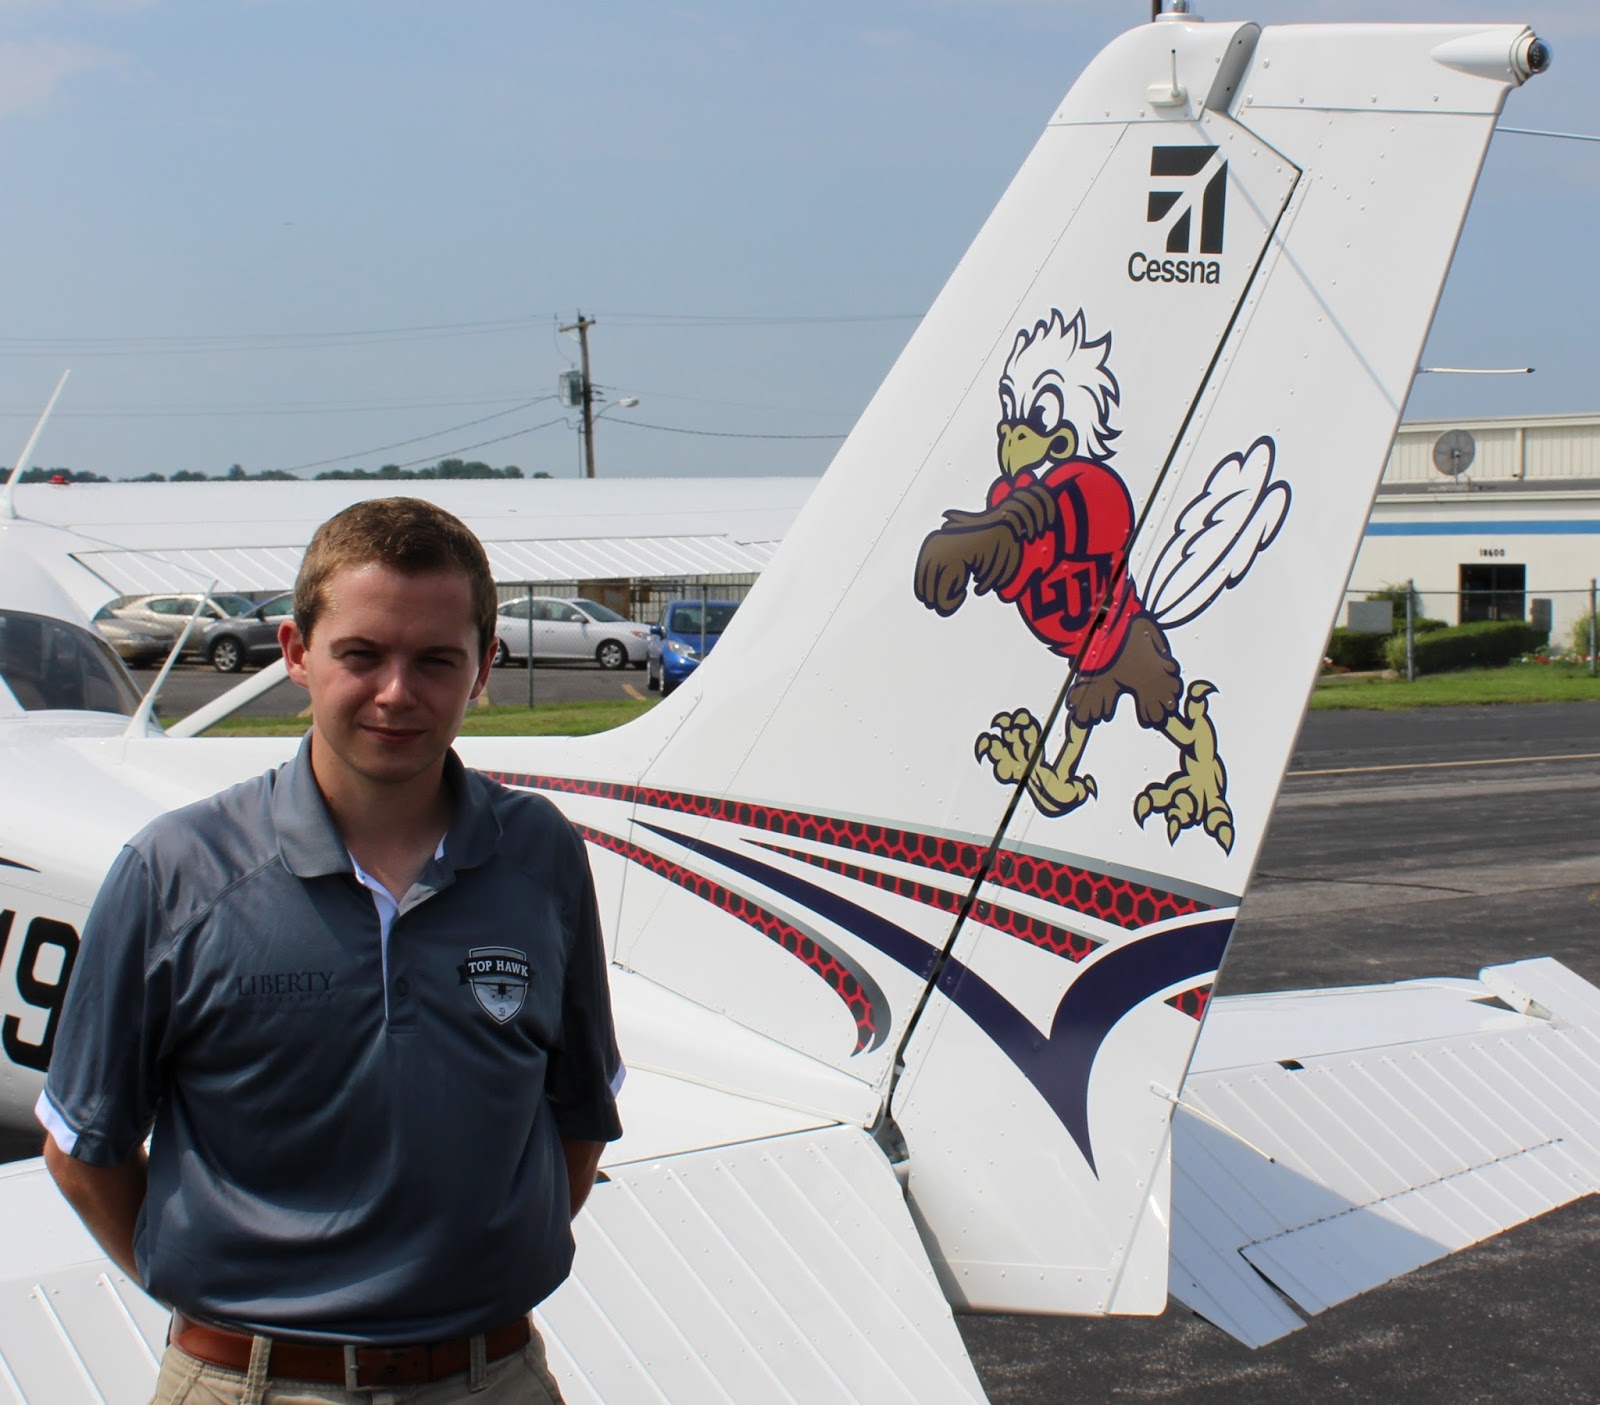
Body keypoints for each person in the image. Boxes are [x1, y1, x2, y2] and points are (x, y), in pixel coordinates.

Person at [36, 497, 623, 1404]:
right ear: (296, 651)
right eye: (361, 654)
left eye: (436, 660)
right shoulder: (174, 869)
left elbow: (578, 1115)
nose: (397, 692)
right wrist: (231, 1316)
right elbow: (82, 1151)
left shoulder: (541, 854)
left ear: (483, 669)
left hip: (492, 1374)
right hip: (251, 1381)